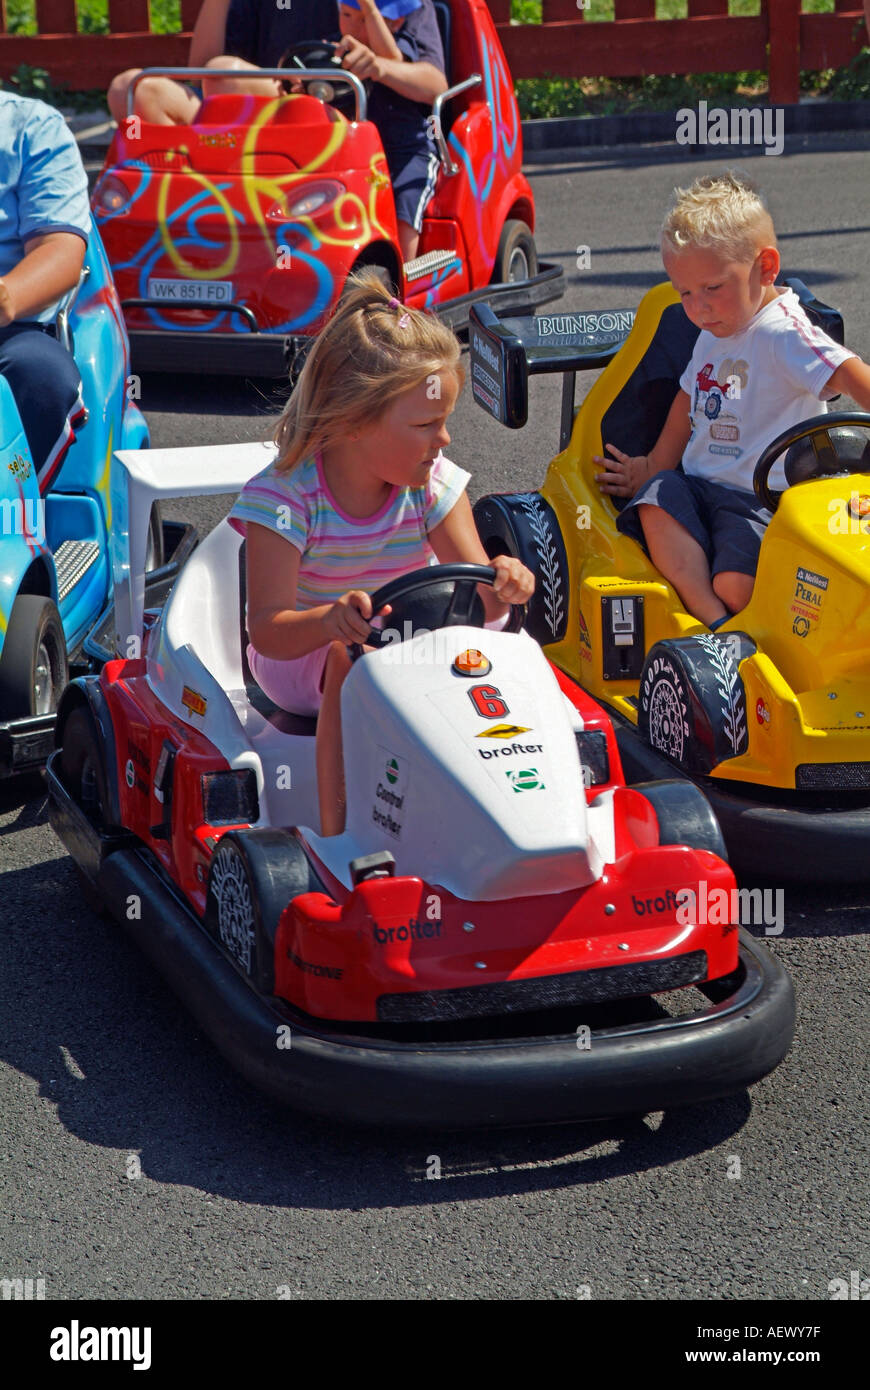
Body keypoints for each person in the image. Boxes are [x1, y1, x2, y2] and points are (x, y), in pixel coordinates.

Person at [228, 270, 535, 836]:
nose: (443, 440)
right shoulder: (287, 498)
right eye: (426, 425)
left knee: (514, 651)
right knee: (353, 659)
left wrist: (506, 582)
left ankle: (525, 810)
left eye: (443, 423)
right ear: (352, 423)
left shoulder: (433, 483)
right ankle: (340, 835)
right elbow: (268, 631)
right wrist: (332, 620)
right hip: (306, 659)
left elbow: (483, 601)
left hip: (412, 645)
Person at [595, 171, 870, 629]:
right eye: (685, 293)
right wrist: (654, 465)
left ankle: (730, 608)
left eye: (712, 289)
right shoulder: (713, 331)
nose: (698, 308)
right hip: (699, 483)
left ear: (765, 268)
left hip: (760, 499)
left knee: (736, 585)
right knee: (653, 504)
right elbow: (688, 399)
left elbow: (848, 370)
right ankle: (712, 620)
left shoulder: (785, 332)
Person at [0, 93, 90, 494]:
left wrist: (5, 297)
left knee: (42, 377)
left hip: (11, 326)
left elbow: (60, 250)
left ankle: (12, 511)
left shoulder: (31, 128)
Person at [336, 0, 446, 262]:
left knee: (403, 208)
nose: (354, 26)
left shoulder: (402, 40)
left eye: (365, 20)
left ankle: (400, 283)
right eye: (347, 15)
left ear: (395, 22)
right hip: (347, 152)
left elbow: (400, 62)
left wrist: (376, 66)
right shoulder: (335, 44)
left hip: (405, 150)